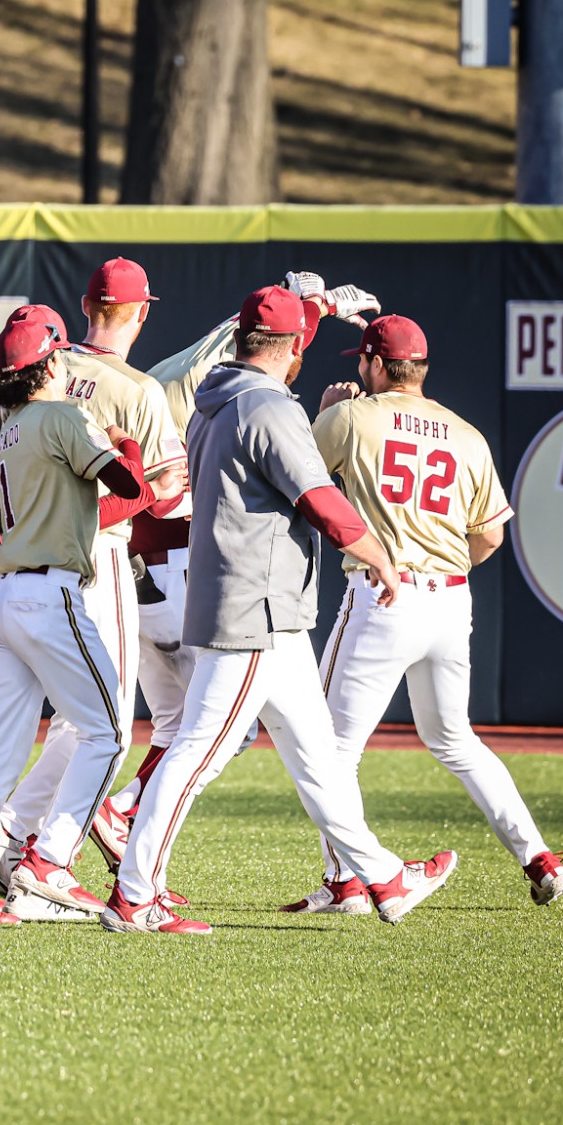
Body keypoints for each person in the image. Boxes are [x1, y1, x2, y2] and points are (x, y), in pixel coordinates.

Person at [105, 286, 458, 934]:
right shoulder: (266, 405)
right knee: (198, 751)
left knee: (319, 755)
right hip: (256, 603)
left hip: (262, 602)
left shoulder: (216, 393)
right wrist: (378, 554)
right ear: (295, 346)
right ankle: (134, 894)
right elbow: (318, 497)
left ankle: (380, 875)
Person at [297, 314, 563, 910]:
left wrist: (323, 410)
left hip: (383, 593)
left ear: (373, 364)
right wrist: (440, 575)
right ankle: (538, 857)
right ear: (419, 369)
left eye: (361, 362)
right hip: (450, 598)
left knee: (331, 749)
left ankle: (346, 882)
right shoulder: (466, 435)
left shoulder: (350, 416)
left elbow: (298, 476)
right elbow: (492, 535)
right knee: (455, 739)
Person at [0, 317, 146, 927]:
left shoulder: (10, 426)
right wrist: (124, 445)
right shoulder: (62, 417)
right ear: (50, 365)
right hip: (48, 593)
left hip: (1, 594)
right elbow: (125, 485)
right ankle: (49, 860)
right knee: (108, 732)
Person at [0, 296, 185, 911]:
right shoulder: (137, 388)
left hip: (20, 556)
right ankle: (37, 850)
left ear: (85, 307)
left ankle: (11, 839)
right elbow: (164, 488)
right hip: (90, 554)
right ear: (141, 313)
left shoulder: (35, 371)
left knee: (49, 723)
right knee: (106, 722)